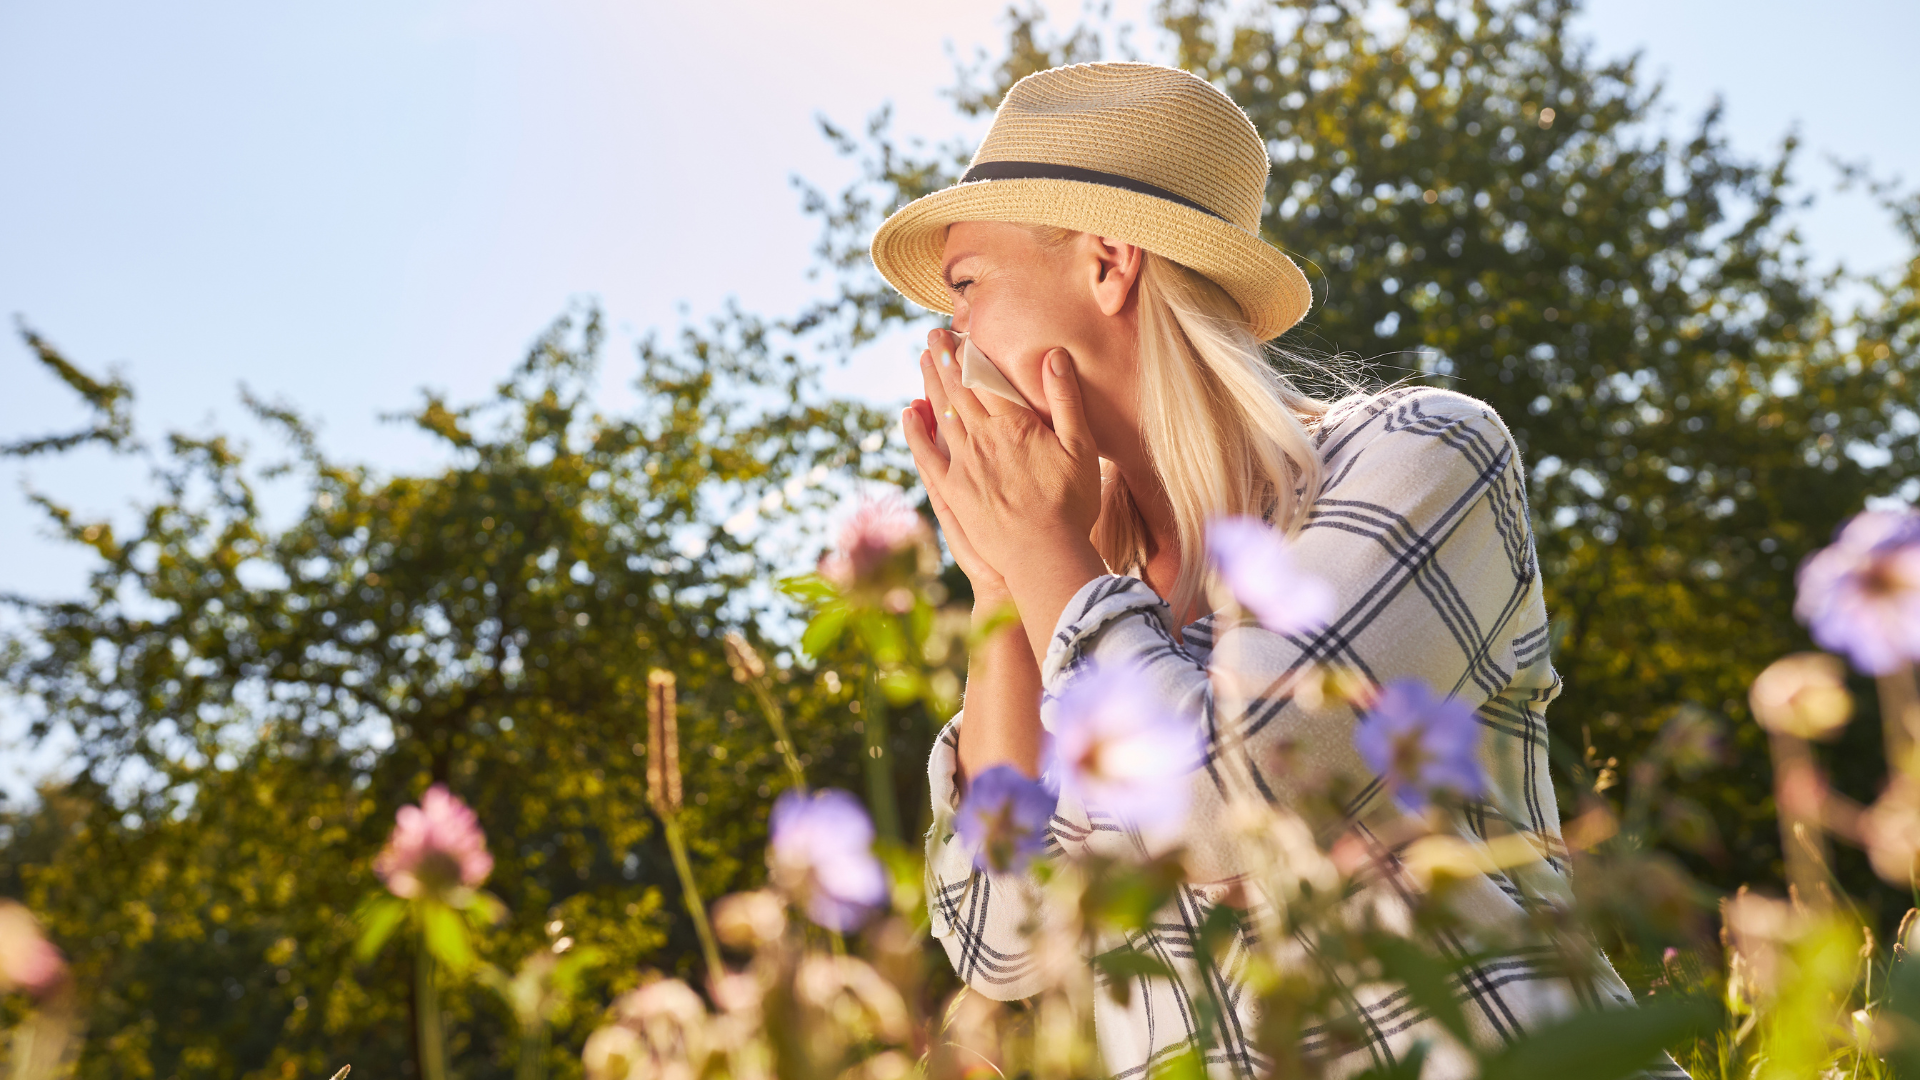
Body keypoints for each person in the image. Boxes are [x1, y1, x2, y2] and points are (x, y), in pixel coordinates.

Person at [869, 62, 1681, 1079]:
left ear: (1109, 263)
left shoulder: (1417, 456)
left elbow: (1243, 812)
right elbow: (999, 941)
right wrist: (1000, 592)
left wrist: (1050, 566)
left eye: (968, 285)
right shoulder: (1072, 598)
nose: (953, 338)